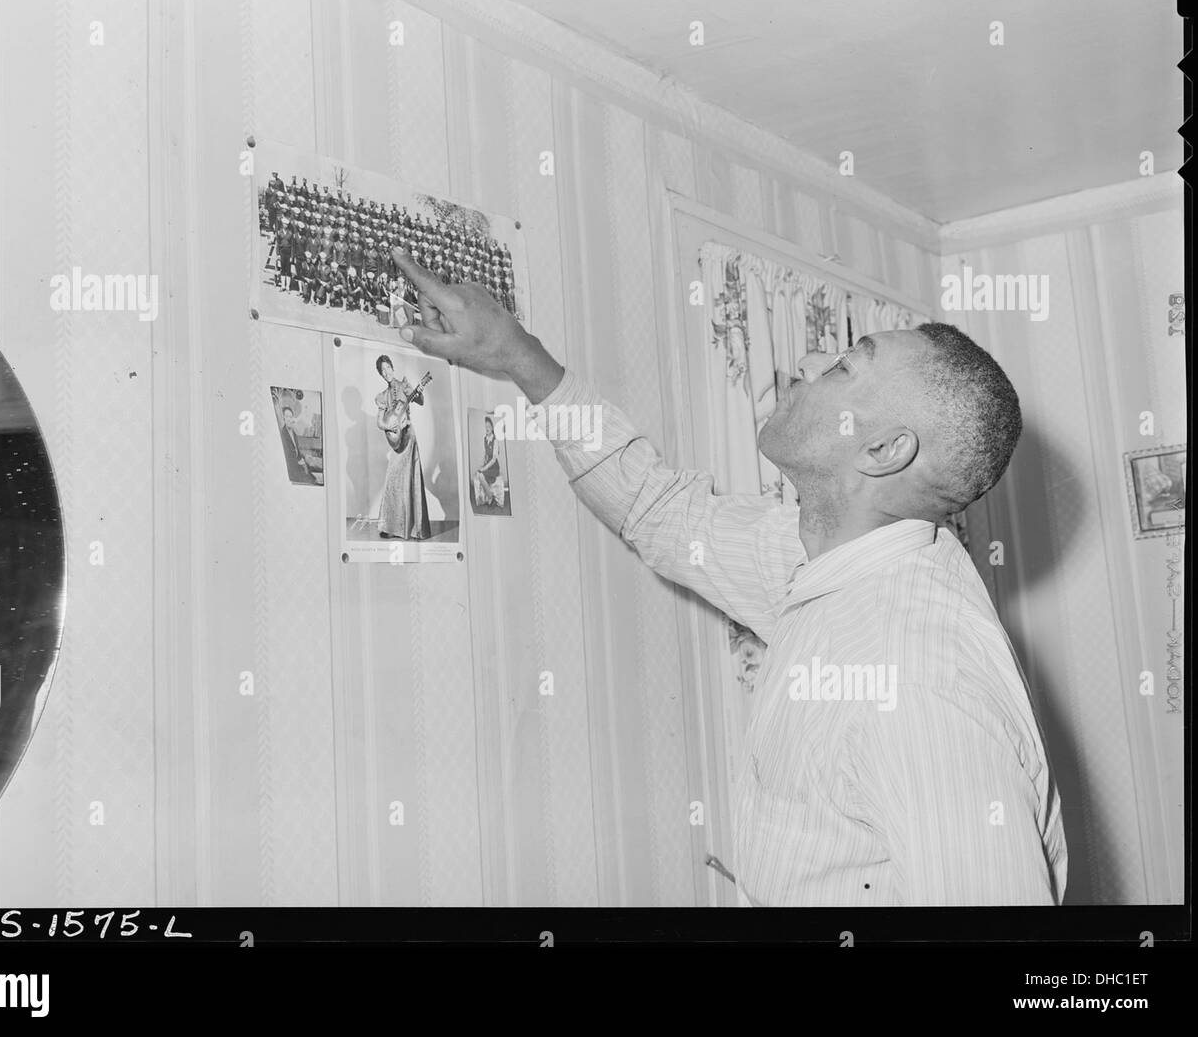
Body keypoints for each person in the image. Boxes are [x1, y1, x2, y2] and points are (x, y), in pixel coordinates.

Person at [387, 247, 1068, 908]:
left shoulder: (920, 682)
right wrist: (516, 354)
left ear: (885, 450)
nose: (805, 360)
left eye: (841, 367)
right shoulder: (831, 554)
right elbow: (660, 510)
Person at [373, 355, 431, 540]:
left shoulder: (404, 385)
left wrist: (419, 391)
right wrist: (390, 427)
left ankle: (416, 529)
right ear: (381, 374)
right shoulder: (382, 396)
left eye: (388, 368)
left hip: (409, 436)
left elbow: (420, 401)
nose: (386, 372)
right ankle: (391, 527)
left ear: (392, 367)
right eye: (382, 371)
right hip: (396, 439)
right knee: (393, 479)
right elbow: (380, 423)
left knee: (409, 478)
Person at [473, 415, 505, 509]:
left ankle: (491, 498)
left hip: (494, 467)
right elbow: (486, 455)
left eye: (489, 426)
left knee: (481, 475)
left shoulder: (495, 441)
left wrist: (484, 468)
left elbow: (494, 459)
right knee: (478, 474)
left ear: (492, 427)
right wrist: (482, 466)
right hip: (488, 465)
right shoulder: (485, 439)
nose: (487, 428)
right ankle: (491, 498)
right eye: (485, 427)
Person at [278, 404, 315, 484]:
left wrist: (305, 457)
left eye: (291, 417)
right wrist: (300, 463)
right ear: (283, 418)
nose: (289, 419)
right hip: (291, 470)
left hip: (298, 465)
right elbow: (285, 458)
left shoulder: (293, 432)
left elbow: (297, 452)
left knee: (313, 478)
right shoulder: (282, 435)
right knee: (310, 480)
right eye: (287, 416)